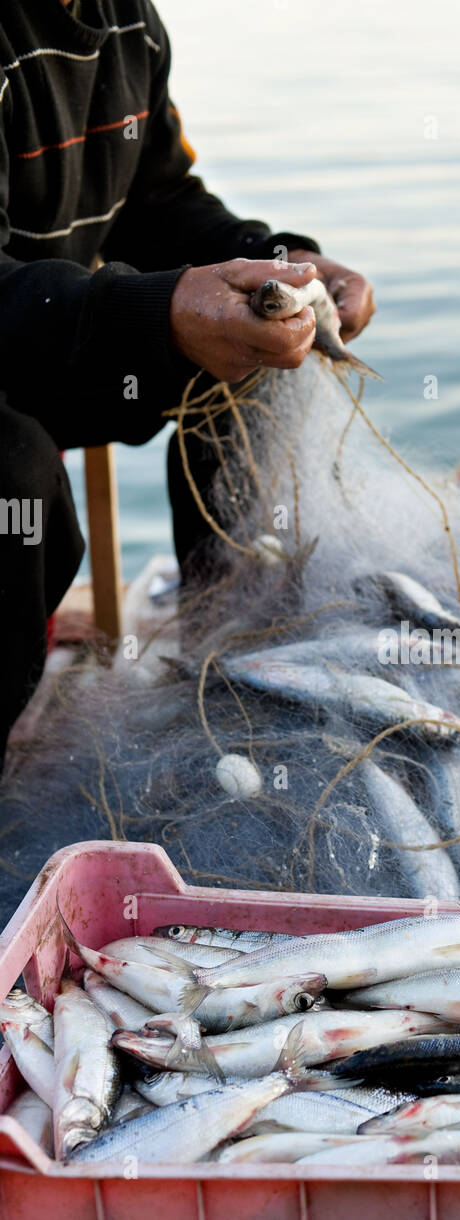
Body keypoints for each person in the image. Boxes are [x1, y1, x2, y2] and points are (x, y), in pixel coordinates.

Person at [0, 0, 375, 770]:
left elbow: (160, 199)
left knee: (251, 367)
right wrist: (161, 309)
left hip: (50, 340)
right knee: (16, 475)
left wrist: (281, 257)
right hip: (14, 357)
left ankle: (229, 669)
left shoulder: (129, 22)